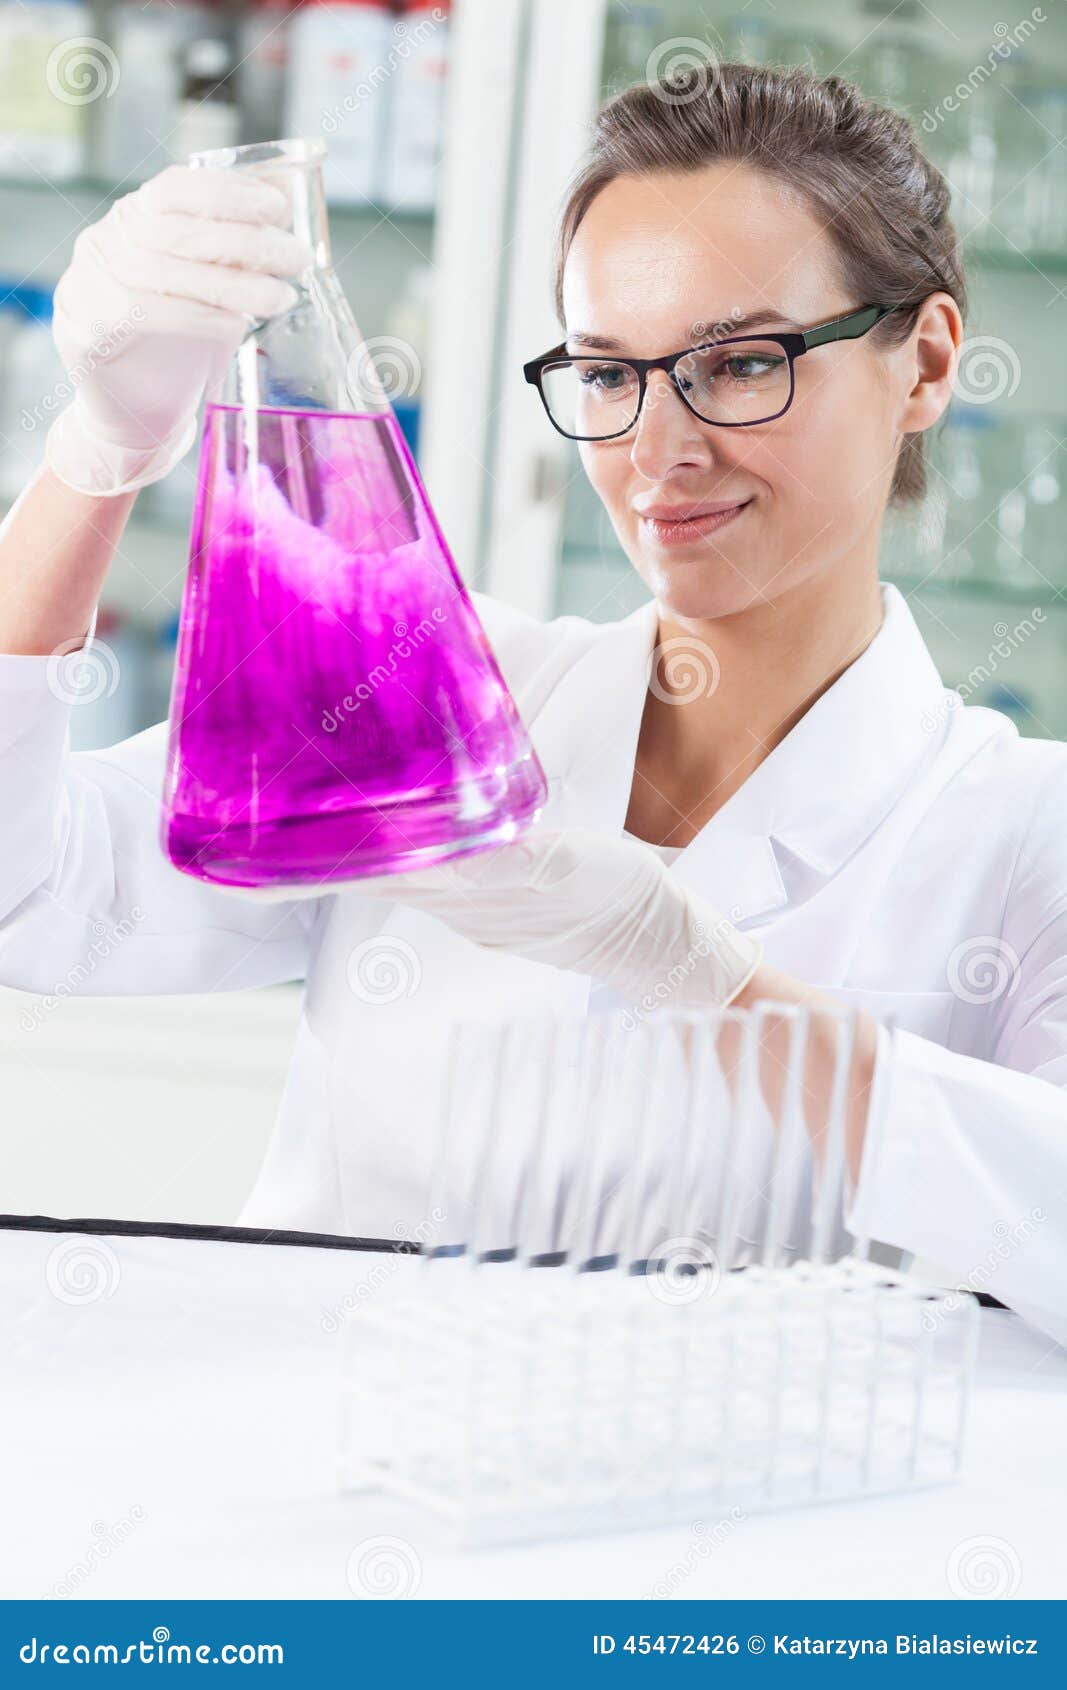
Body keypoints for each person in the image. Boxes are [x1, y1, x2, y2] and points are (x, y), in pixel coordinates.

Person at [0, 62, 1062, 1341]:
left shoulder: (1021, 829)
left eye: (739, 364)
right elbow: (28, 893)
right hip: (314, 1445)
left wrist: (712, 983)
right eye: (607, 376)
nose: (658, 451)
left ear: (926, 361)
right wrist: (100, 452)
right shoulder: (425, 695)